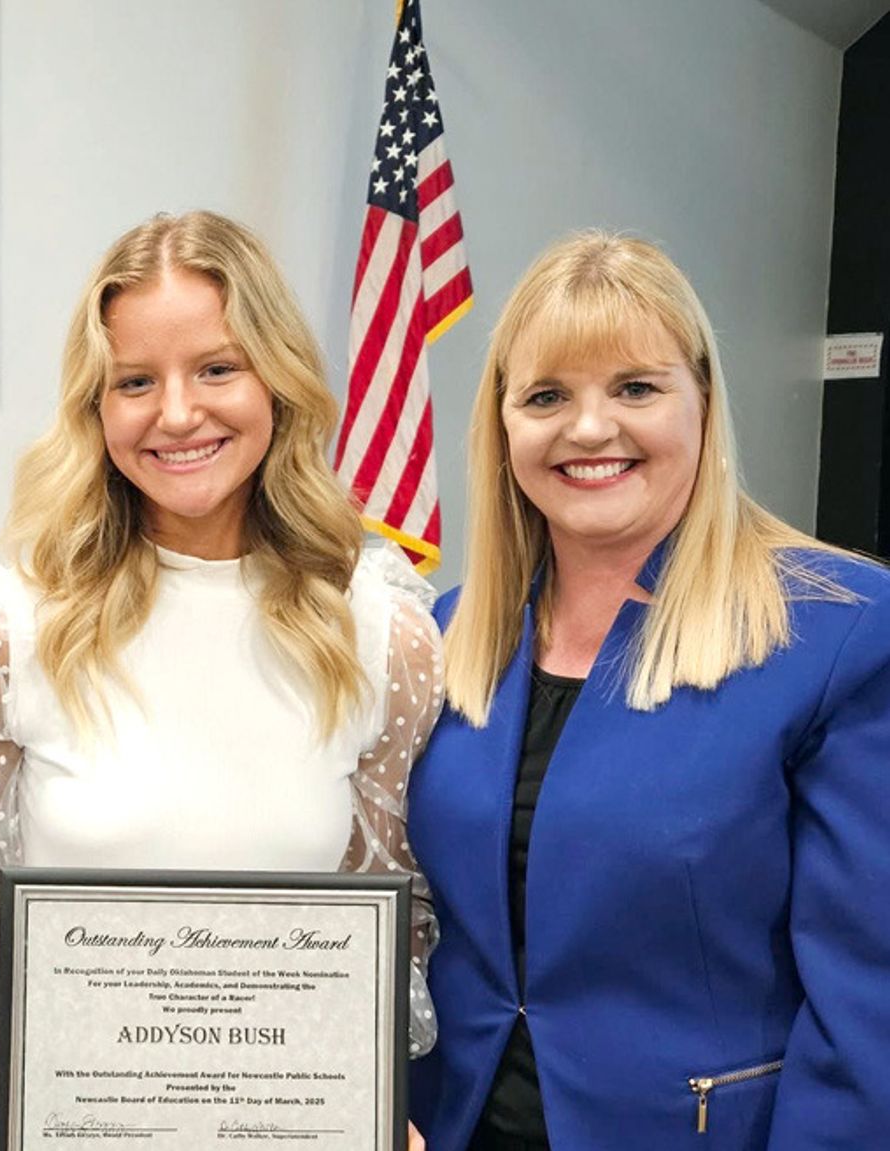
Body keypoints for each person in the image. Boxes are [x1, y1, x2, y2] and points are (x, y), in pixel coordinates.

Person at [0, 210, 443, 1151]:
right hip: (67, 1116)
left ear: (277, 379)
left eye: (216, 368)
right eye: (135, 380)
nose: (176, 412)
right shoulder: (12, 624)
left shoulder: (378, 631)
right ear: (96, 406)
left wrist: (361, 1081)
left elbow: (389, 901)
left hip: (284, 1127)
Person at [406, 232, 890, 1150]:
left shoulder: (842, 627)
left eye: (636, 387)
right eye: (547, 396)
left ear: (702, 400)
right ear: (503, 424)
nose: (589, 429)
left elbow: (871, 1006)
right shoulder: (449, 631)